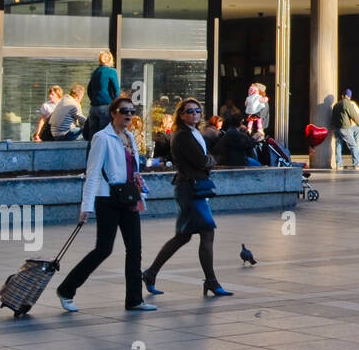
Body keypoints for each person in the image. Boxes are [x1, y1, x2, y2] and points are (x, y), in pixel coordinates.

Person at [56, 96, 156, 313]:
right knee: (103, 249)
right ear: (113, 113)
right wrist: (86, 206)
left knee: (135, 249)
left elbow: (132, 171)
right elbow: (92, 173)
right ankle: (66, 289)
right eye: (124, 111)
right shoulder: (102, 138)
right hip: (107, 198)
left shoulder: (129, 137)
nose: (128, 115)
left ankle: (134, 300)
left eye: (131, 111)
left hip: (128, 198)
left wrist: (140, 191)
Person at [141, 97, 232, 298]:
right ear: (181, 115)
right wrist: (211, 160)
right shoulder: (182, 135)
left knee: (183, 236)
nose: (194, 114)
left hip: (192, 187)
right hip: (190, 189)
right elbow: (201, 161)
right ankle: (211, 281)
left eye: (197, 111)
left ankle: (151, 273)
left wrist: (208, 160)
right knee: (207, 232)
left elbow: (203, 160)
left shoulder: (192, 133)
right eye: (190, 111)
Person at [83, 51, 120, 140]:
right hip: (106, 107)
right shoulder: (111, 71)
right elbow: (116, 90)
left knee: (93, 138)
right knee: (104, 136)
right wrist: (117, 105)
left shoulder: (95, 72)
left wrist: (94, 99)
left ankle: (91, 154)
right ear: (110, 60)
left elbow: (89, 90)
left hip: (93, 108)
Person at [332, 88, 359, 169]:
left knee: (338, 145)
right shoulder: (347, 104)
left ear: (342, 96)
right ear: (349, 97)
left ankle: (339, 164)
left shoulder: (336, 104)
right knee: (353, 145)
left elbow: (333, 117)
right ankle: (356, 164)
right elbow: (354, 116)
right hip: (345, 128)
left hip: (336, 128)